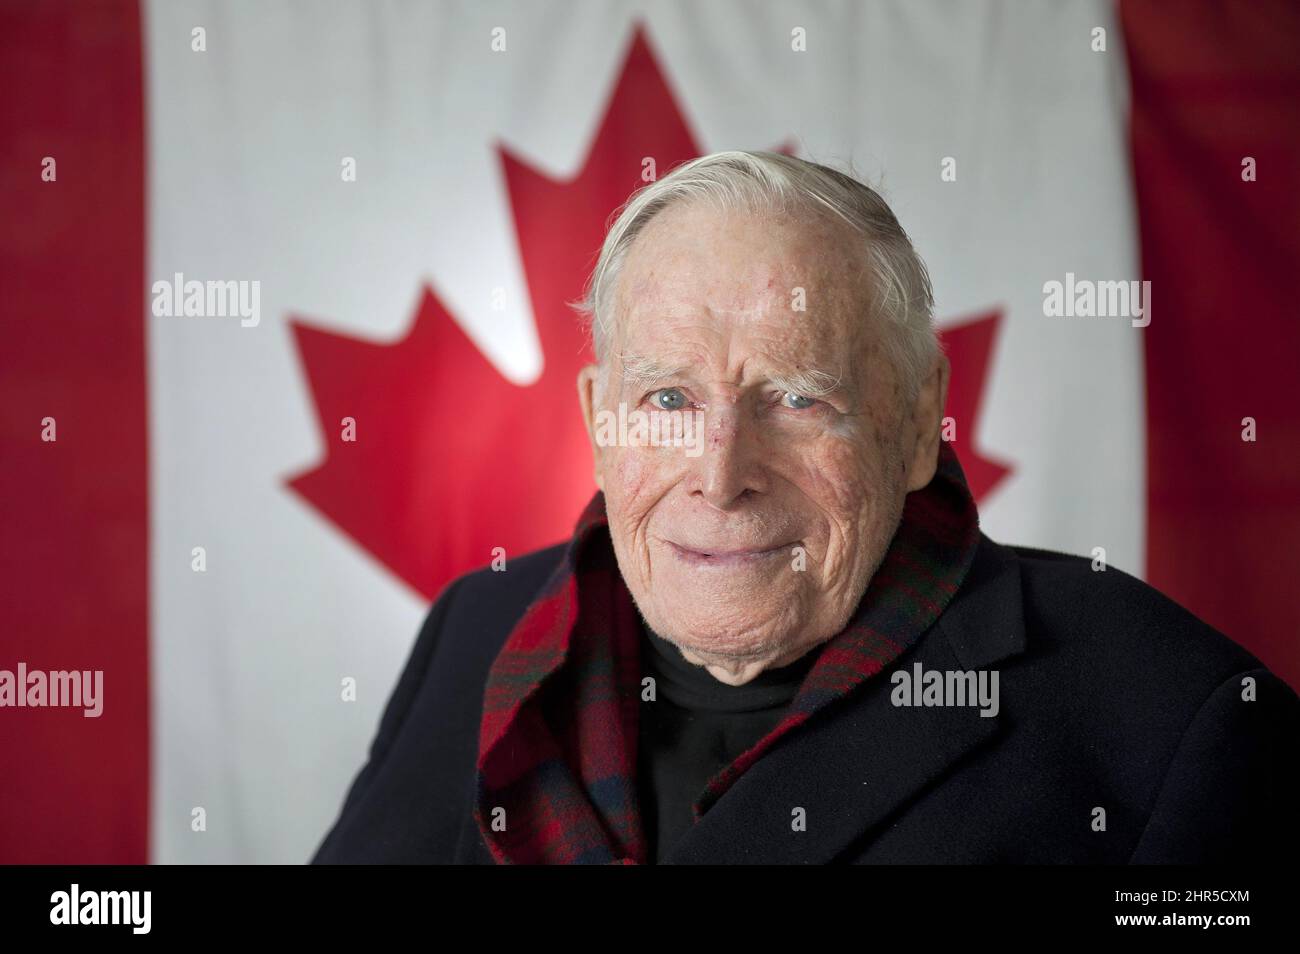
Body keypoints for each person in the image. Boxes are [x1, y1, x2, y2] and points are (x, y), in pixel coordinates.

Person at [312, 151, 1299, 864]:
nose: (721, 470)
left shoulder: (1173, 720)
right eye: (667, 399)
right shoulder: (475, 629)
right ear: (601, 420)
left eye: (795, 398)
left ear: (916, 424)